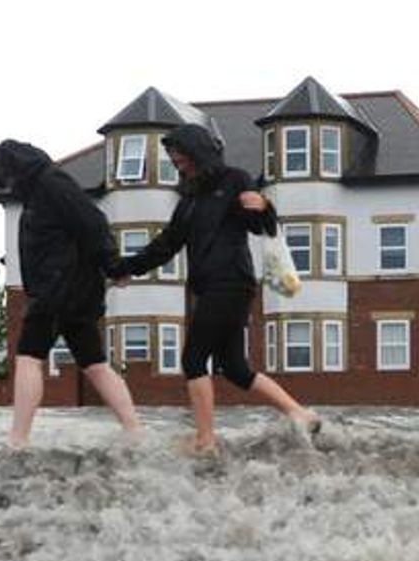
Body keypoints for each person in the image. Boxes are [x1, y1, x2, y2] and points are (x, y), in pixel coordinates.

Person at [112, 123, 320, 453]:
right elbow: (165, 245)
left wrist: (265, 208)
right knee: (236, 368)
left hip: (231, 283)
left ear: (197, 150)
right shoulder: (189, 200)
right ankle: (300, 414)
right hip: (212, 289)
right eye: (173, 159)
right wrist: (126, 269)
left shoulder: (234, 179)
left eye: (180, 156)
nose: (177, 163)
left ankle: (205, 440)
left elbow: (257, 225)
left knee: (194, 359)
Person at [0, 138, 145, 450]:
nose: (9, 186)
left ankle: (17, 440)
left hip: (57, 290)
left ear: (16, 168)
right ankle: (135, 431)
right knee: (95, 363)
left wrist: (113, 266)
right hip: (72, 291)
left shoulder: (52, 184)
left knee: (29, 359)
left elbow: (93, 222)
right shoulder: (42, 190)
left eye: (8, 178)